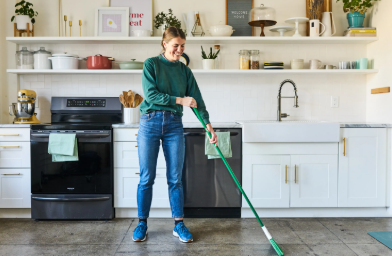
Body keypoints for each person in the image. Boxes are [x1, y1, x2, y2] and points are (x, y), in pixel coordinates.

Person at [132, 27, 218, 243]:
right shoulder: (151, 64)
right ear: (164, 44)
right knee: (146, 178)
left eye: (182, 46)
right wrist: (180, 100)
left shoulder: (184, 71)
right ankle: (142, 223)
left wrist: (208, 125)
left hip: (173, 125)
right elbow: (150, 95)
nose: (179, 50)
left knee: (175, 178)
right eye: (175, 46)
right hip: (149, 123)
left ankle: (179, 224)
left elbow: (197, 99)